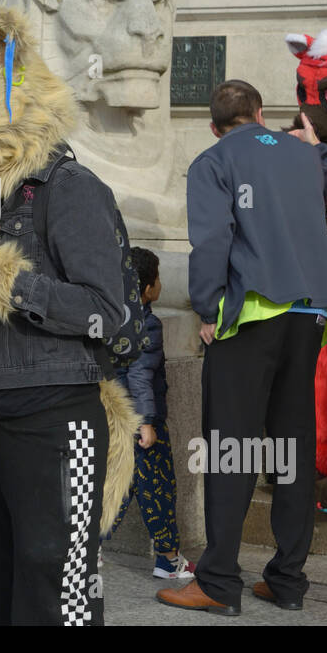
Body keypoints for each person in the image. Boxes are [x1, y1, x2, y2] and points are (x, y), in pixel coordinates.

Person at [159, 80, 327, 616]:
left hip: (253, 315)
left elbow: (212, 240)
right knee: (292, 446)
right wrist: (317, 144)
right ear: (261, 114)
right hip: (311, 313)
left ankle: (218, 582)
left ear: (214, 126)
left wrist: (206, 308)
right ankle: (287, 580)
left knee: (231, 448)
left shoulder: (211, 161)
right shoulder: (305, 155)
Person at [105, 246, 193, 580]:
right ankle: (169, 559)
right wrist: (146, 424)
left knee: (119, 488)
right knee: (158, 489)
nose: (160, 285)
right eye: (157, 279)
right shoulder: (147, 324)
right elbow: (141, 375)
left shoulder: (112, 317)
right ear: (146, 289)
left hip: (115, 419)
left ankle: (86, 550)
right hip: (141, 425)